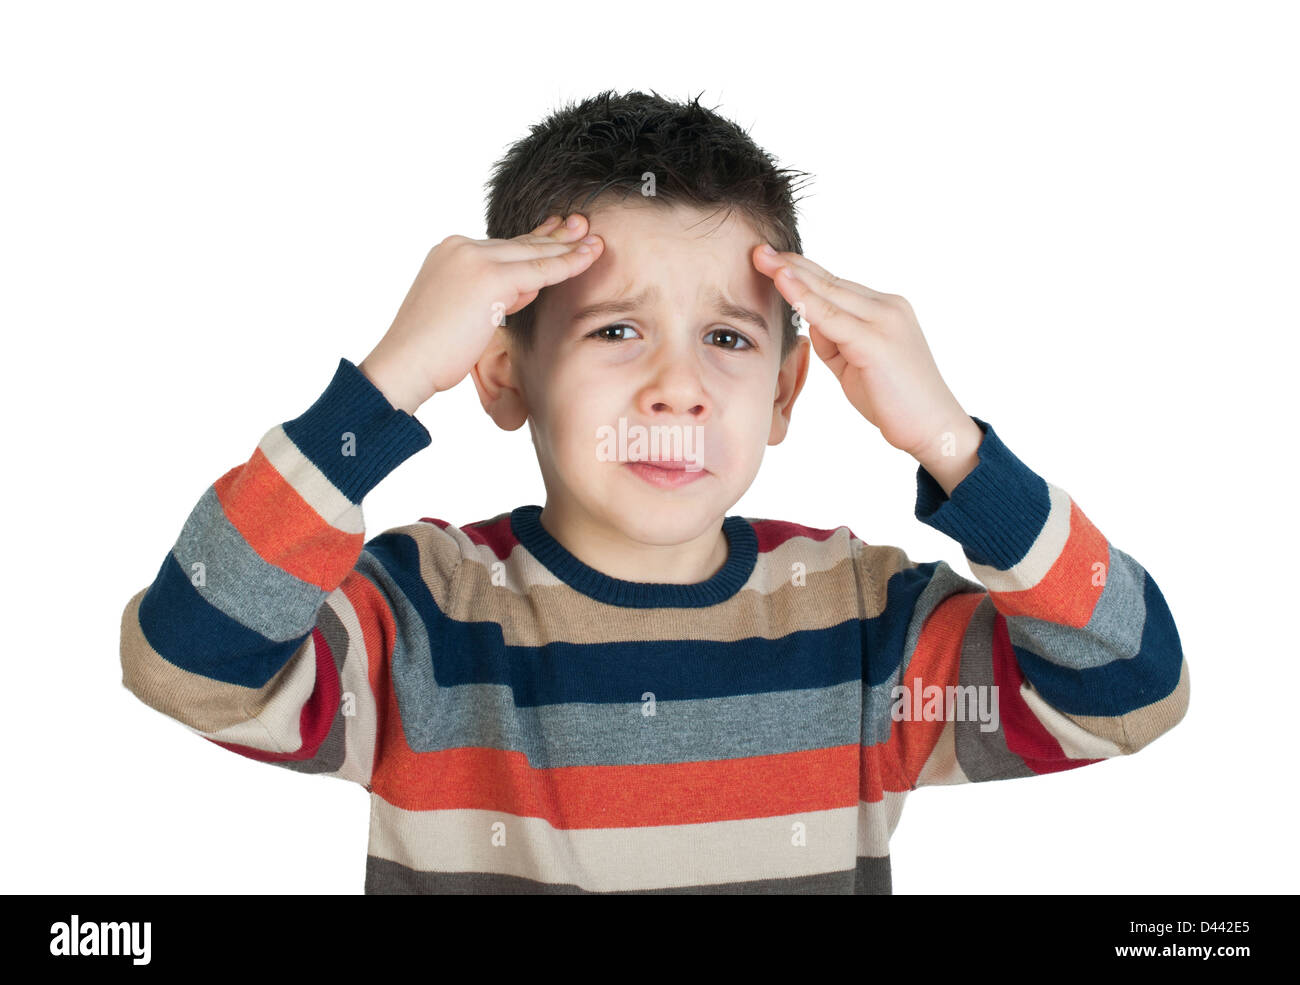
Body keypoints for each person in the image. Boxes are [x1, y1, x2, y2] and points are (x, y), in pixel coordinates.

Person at [119, 89, 1189, 894]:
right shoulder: (420, 620)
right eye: (616, 329)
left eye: (727, 338)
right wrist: (386, 381)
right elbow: (188, 662)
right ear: (498, 370)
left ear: (783, 392)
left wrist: (957, 446)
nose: (678, 388)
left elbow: (1131, 690)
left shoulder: (862, 626)